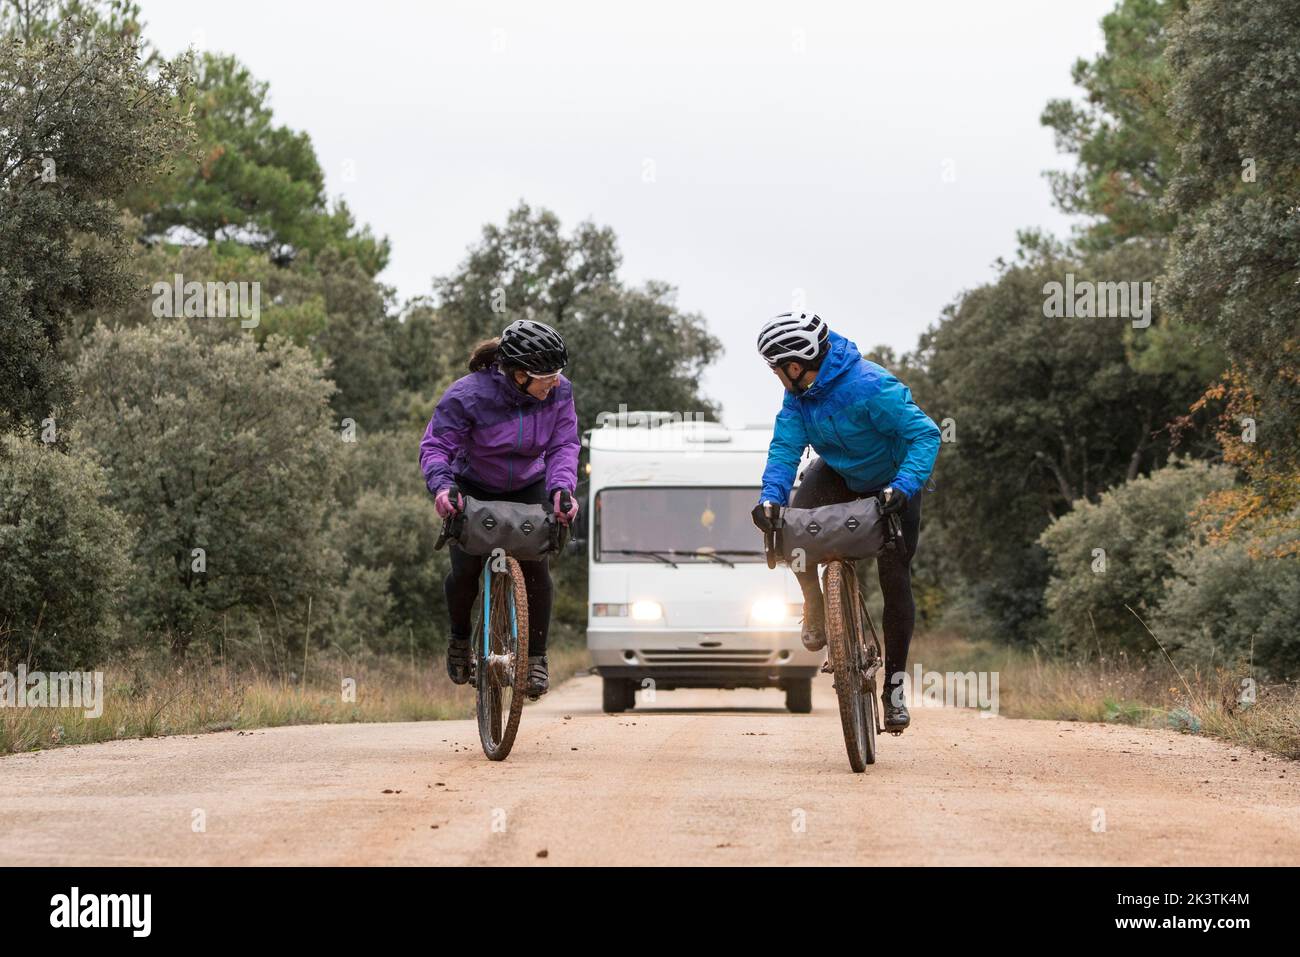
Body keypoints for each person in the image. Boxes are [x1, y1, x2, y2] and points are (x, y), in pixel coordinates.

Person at [749, 311, 940, 730]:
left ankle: (893, 691)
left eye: (776, 369)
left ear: (795, 365)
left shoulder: (871, 386)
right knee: (791, 525)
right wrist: (769, 498)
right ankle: (814, 603)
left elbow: (926, 434)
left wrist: (904, 485)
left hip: (893, 480)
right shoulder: (799, 396)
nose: (776, 376)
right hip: (838, 472)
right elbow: (785, 447)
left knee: (895, 576)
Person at [419, 319, 581, 697]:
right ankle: (460, 640)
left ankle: (536, 660)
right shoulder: (468, 396)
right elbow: (436, 447)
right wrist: (443, 489)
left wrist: (561, 490)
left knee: (537, 570)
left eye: (558, 374)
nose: (555, 382)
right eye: (547, 376)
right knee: (465, 571)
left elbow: (564, 445)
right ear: (521, 374)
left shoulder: (559, 393)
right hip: (473, 484)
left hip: (529, 483)